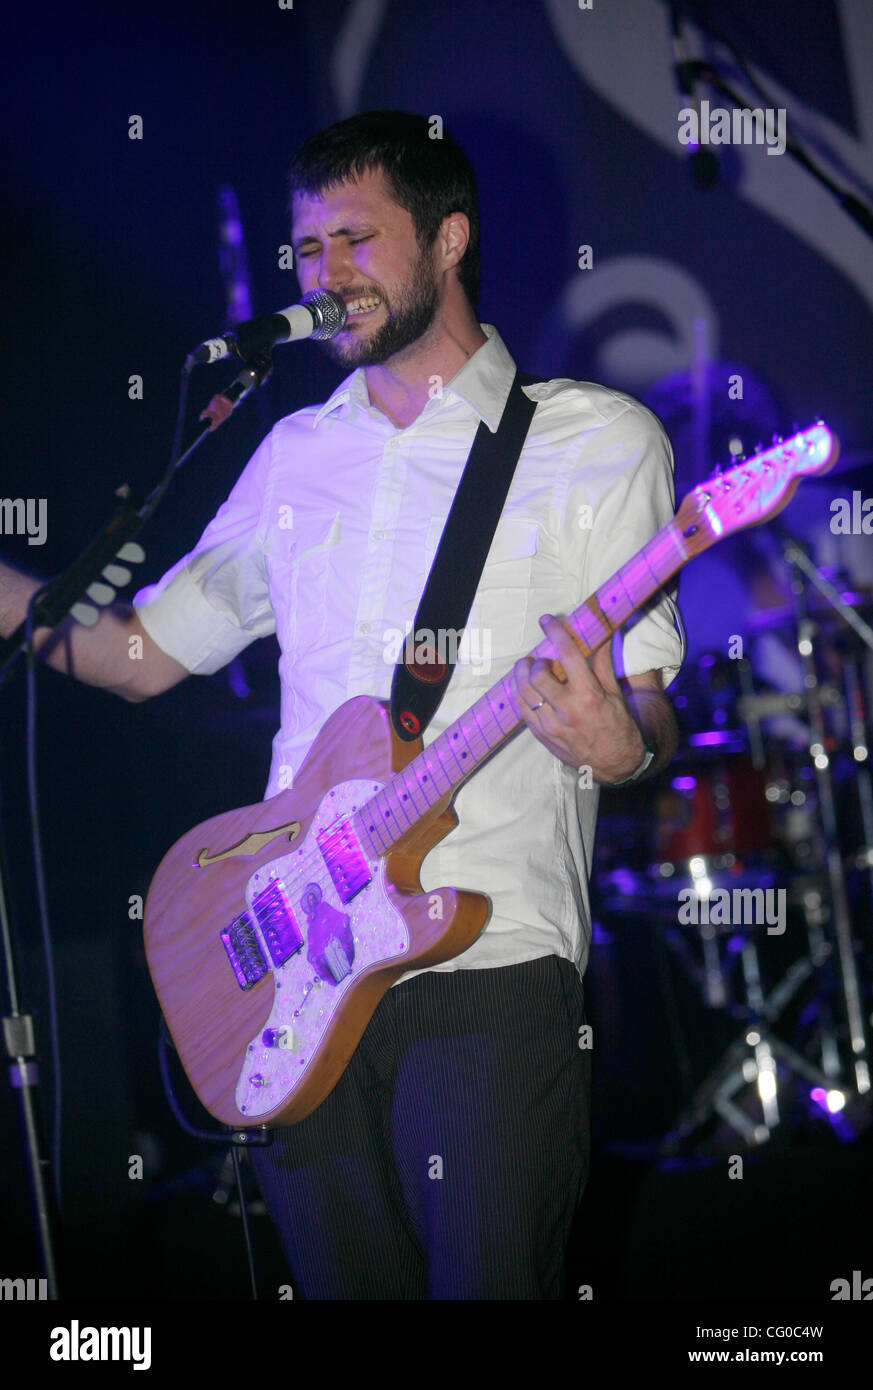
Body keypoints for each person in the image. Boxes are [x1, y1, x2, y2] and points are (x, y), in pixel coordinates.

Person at [0, 110, 684, 1299]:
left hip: (490, 952)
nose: (327, 278)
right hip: (298, 980)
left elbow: (648, 708)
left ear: (450, 239)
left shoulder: (594, 441)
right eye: (309, 251)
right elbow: (144, 654)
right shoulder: (293, 454)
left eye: (358, 242)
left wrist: (622, 743)